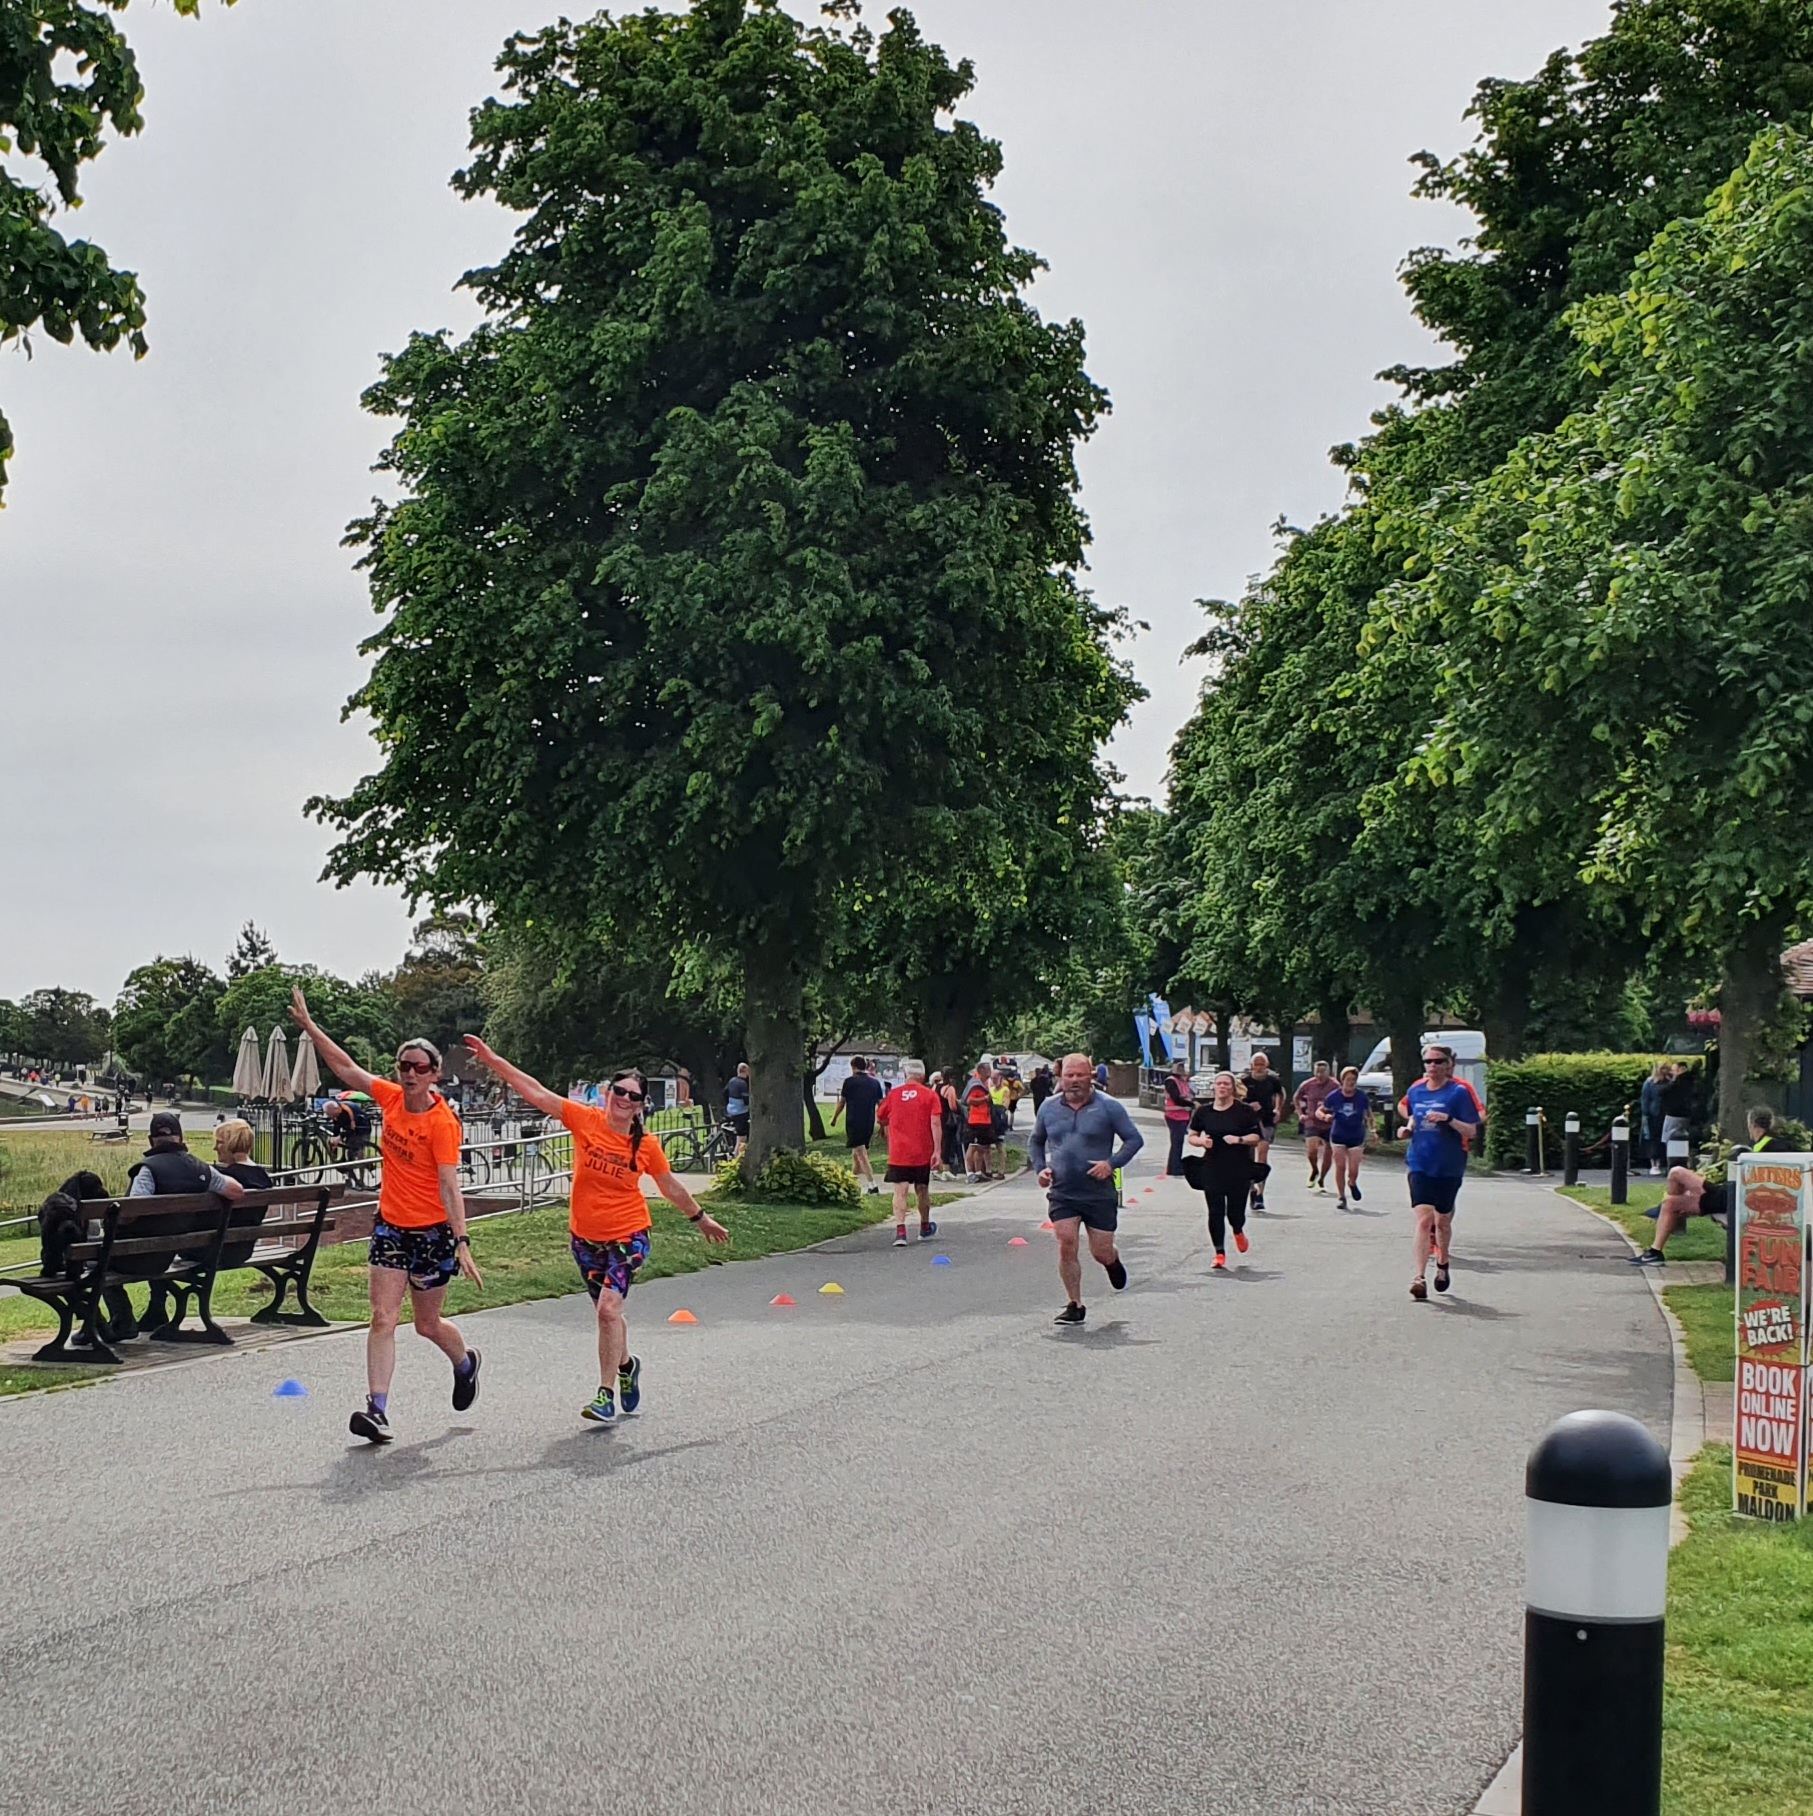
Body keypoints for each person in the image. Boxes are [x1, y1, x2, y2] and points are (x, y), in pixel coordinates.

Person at [462, 1037, 729, 1420]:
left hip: (629, 1235)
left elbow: (670, 1186)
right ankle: (626, 1367)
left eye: (633, 1096)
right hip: (585, 1239)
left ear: (640, 1106)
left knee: (606, 1310)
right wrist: (492, 1060)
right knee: (609, 1315)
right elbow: (536, 1092)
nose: (624, 1099)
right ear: (608, 1093)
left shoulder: (646, 1146)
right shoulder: (584, 1120)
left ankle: (604, 1395)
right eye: (619, 1091)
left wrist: (700, 1218)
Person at [291, 988, 484, 1443]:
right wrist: (310, 1026)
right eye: (405, 1066)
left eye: (420, 1068)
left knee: (426, 1324)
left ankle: (465, 1362)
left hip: (433, 1232)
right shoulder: (391, 1099)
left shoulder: (442, 1124)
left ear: (435, 1074)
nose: (411, 1074)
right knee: (382, 1317)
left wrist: (462, 1241)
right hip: (392, 1226)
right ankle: (376, 1409)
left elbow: (448, 1184)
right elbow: (345, 1068)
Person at [110, 1110, 248, 1337]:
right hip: (170, 1254)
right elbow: (236, 1190)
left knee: (93, 1260)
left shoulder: (147, 1170)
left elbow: (130, 1213)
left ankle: (121, 1318)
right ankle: (155, 1309)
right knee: (163, 1235)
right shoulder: (200, 1168)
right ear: (181, 1138)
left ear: (151, 1140)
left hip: (135, 1257)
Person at [1031, 1053, 1145, 1326]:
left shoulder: (1108, 1107)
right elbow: (1036, 1142)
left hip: (1098, 1191)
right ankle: (1075, 1304)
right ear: (1061, 1077)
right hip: (1064, 1191)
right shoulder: (1048, 1107)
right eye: (1069, 1075)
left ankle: (1112, 1261)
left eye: (1080, 1075)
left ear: (1091, 1075)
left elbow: (1134, 1140)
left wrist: (1112, 1164)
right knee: (1066, 1242)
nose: (1074, 1081)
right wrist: (1040, 1169)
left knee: (1100, 1251)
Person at [1629, 1107, 1787, 1266]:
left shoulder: (1767, 1148)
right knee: (1670, 1204)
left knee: (1676, 1173)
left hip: (1729, 1199)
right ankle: (1655, 1252)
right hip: (1730, 1195)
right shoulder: (1775, 1145)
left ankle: (1671, 1212)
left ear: (1752, 1125)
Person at [1398, 1043, 1479, 1301]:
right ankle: (1418, 1277)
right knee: (1424, 1220)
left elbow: (1472, 1131)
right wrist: (1407, 1128)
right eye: (1428, 1062)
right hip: (1419, 1161)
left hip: (1449, 1165)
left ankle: (1443, 1263)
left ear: (1448, 1065)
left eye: (1438, 1061)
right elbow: (1412, 1114)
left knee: (1442, 1221)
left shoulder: (1458, 1093)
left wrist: (1448, 1120)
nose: (1432, 1066)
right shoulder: (1416, 1090)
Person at [1185, 1072, 1262, 1269]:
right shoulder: (1203, 1112)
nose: (1222, 1087)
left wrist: (1239, 1140)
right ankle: (1219, 1252)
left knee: (1235, 1212)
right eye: (1219, 1084)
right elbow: (1192, 1135)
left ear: (1233, 1088)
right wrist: (1202, 1141)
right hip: (1212, 1166)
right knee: (1215, 1211)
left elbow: (1257, 1137)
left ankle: (1238, 1230)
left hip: (1239, 1167)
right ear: (1214, 1088)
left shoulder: (1244, 1111)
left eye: (1226, 1084)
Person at [876, 1061, 944, 1245]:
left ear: (905, 1075)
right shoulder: (930, 1095)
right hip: (921, 1150)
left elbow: (881, 1117)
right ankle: (924, 1226)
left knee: (900, 1190)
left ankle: (900, 1232)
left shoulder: (894, 1094)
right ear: (922, 1076)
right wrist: (937, 1150)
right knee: (922, 1188)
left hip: (899, 1151)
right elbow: (936, 1123)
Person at [830, 1056, 884, 1195]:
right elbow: (881, 1104)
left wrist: (834, 1118)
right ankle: (850, 1182)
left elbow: (842, 1102)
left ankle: (872, 1185)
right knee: (857, 1153)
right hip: (868, 1121)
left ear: (852, 1066)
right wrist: (882, 1122)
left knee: (860, 1153)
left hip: (854, 1120)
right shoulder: (874, 1083)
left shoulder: (849, 1082)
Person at [1240, 1051, 1286, 1210]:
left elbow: (1280, 1094)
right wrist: (1248, 1106)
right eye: (1256, 1064)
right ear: (1251, 1066)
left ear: (1267, 1066)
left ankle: (1260, 1192)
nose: (1259, 1068)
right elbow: (1237, 1098)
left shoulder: (1273, 1080)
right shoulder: (1244, 1081)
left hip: (1266, 1119)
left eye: (1262, 1064)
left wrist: (1278, 1110)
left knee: (1263, 1154)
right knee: (1248, 1157)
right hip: (1248, 1121)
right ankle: (1251, 1189)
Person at [1323, 1066, 1374, 1211]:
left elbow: (1369, 1115)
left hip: (1356, 1135)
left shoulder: (1361, 1097)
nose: (1351, 1083)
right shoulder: (1334, 1096)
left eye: (1353, 1080)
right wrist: (1324, 1116)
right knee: (1340, 1166)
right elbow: (1320, 1111)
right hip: (1338, 1134)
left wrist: (1373, 1130)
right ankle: (1341, 1197)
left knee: (1353, 1168)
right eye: (1348, 1080)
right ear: (1342, 1080)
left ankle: (1352, 1182)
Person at [1293, 1060, 1338, 1193]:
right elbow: (1296, 1097)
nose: (1319, 1075)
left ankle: (1322, 1179)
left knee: (1328, 1152)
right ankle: (1314, 1169)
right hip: (1312, 1121)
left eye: (1322, 1072)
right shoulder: (1308, 1084)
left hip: (1329, 1122)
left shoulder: (1335, 1085)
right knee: (1312, 1149)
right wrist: (1300, 1113)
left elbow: (1341, 1099)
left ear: (1328, 1072)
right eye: (1317, 1071)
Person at [212, 1118, 273, 1190]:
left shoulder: (229, 1177)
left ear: (233, 1143)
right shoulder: (262, 1175)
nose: (215, 1148)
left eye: (219, 1142)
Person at [963, 1061, 997, 1184]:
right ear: (982, 1070)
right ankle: (970, 1172)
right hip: (975, 1120)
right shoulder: (975, 1084)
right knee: (973, 1146)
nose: (990, 1071)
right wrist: (984, 1099)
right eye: (988, 1069)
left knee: (982, 1147)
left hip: (985, 1119)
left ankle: (979, 1172)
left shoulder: (984, 1083)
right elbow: (970, 1100)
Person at [1161, 1058, 1196, 1176]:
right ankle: (1175, 1168)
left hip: (1182, 1115)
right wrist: (1192, 1104)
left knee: (1177, 1142)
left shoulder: (1182, 1081)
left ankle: (1173, 1167)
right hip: (1174, 1115)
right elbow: (1176, 1098)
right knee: (1177, 1142)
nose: (1183, 1069)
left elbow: (1189, 1094)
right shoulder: (1171, 1081)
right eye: (1181, 1066)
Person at [1658, 1061, 1696, 1156]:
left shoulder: (1679, 1083)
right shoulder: (1691, 1081)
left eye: (1674, 1070)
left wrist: (1673, 1080)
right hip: (1685, 1115)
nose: (1672, 1073)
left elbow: (1662, 1092)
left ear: (1681, 1071)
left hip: (1674, 1115)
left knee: (1670, 1139)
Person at [1640, 1062, 1669, 1178]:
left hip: (1665, 1113)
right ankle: (1654, 1164)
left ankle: (1662, 1163)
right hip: (1653, 1114)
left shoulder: (1669, 1082)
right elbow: (1645, 1099)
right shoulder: (1650, 1082)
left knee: (1664, 1139)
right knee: (1652, 1138)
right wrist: (1645, 1114)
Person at [725, 1063, 752, 1154]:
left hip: (731, 1110)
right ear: (745, 1071)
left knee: (739, 1135)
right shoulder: (743, 1084)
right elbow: (746, 1099)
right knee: (742, 1138)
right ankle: (737, 1156)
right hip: (741, 1113)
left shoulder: (732, 1081)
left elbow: (725, 1093)